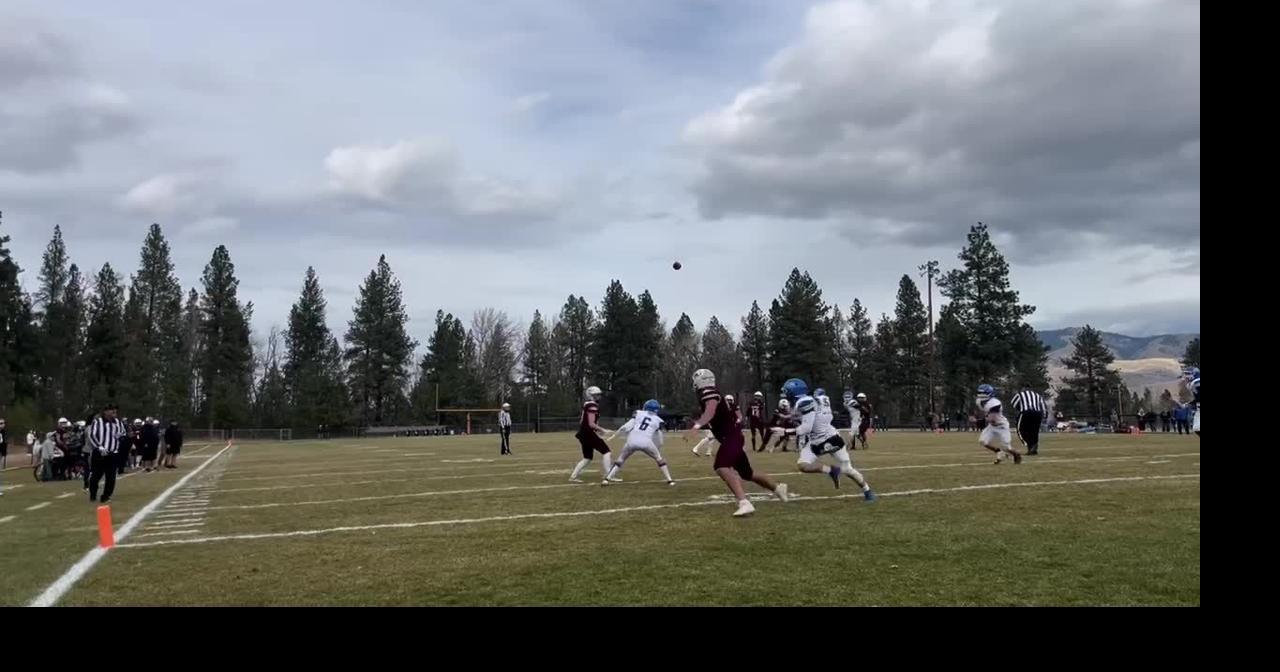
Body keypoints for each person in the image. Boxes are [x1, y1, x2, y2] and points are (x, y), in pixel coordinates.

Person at [687, 368, 787, 517]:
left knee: (721, 466)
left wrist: (697, 424)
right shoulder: (712, 393)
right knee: (748, 473)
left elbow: (711, 409)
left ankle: (744, 503)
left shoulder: (708, 392)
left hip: (731, 437)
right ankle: (778, 488)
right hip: (733, 437)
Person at [784, 379, 875, 501]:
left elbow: (806, 428)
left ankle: (863, 487)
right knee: (804, 465)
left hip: (825, 440)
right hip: (825, 439)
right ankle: (836, 473)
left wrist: (786, 431)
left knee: (844, 469)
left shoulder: (805, 402)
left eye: (787, 391)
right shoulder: (812, 401)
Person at [603, 399, 675, 486]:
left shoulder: (638, 413)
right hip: (646, 442)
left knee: (621, 459)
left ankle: (607, 478)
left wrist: (614, 436)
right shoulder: (658, 420)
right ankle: (669, 480)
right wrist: (659, 447)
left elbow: (625, 426)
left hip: (632, 441)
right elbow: (659, 438)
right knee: (659, 458)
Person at [568, 386, 614, 483]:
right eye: (597, 395)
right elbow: (591, 423)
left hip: (583, 433)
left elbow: (582, 422)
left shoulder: (586, 405)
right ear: (591, 395)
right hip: (588, 434)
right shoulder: (592, 406)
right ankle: (609, 475)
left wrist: (597, 431)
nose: (599, 397)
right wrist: (603, 430)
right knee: (606, 452)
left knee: (587, 457)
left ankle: (573, 476)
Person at [88, 403, 125, 503]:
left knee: (111, 477)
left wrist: (120, 437)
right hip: (100, 453)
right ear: (105, 412)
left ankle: (106, 496)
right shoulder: (98, 422)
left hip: (113, 453)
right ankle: (93, 494)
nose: (114, 412)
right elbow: (92, 435)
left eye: (115, 410)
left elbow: (123, 434)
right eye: (111, 410)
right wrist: (99, 447)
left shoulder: (118, 422)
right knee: (96, 476)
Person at [976, 384, 1022, 464]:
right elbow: (984, 414)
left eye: (983, 393)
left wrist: (977, 421)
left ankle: (1017, 455)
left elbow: (992, 419)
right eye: (980, 393)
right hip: (992, 425)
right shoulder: (979, 402)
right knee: (983, 441)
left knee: (1007, 447)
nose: (981, 395)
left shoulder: (995, 403)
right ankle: (999, 451)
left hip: (1001, 426)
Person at [1010, 387, 1048, 456]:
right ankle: (1034, 447)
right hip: (1038, 413)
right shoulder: (1037, 395)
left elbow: (1013, 403)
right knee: (1034, 431)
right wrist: (1044, 415)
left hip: (1026, 412)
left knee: (1020, 430)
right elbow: (1043, 405)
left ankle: (1029, 445)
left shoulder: (1020, 394)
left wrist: (1020, 409)